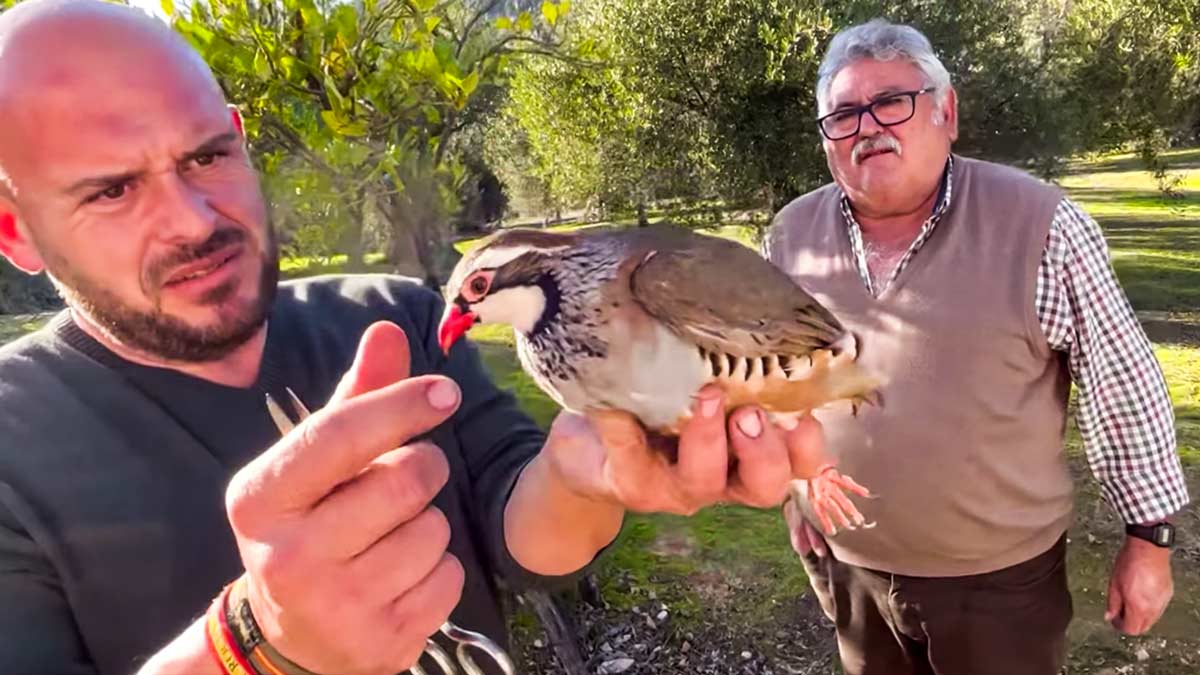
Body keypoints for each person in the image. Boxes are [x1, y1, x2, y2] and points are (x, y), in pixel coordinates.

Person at [0, 1, 823, 674]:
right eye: (110, 190)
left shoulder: (389, 315)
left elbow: (522, 537)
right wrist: (251, 643)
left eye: (208, 155)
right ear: (15, 231)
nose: (192, 220)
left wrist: (586, 474)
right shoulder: (15, 442)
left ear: (241, 137)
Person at [765, 17, 1192, 675]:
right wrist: (797, 487)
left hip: (1000, 586)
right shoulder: (791, 237)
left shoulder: (1041, 224)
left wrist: (1149, 537)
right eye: (843, 114)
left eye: (891, 102)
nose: (867, 126)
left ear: (947, 111)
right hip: (851, 572)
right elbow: (782, 384)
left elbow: (1121, 385)